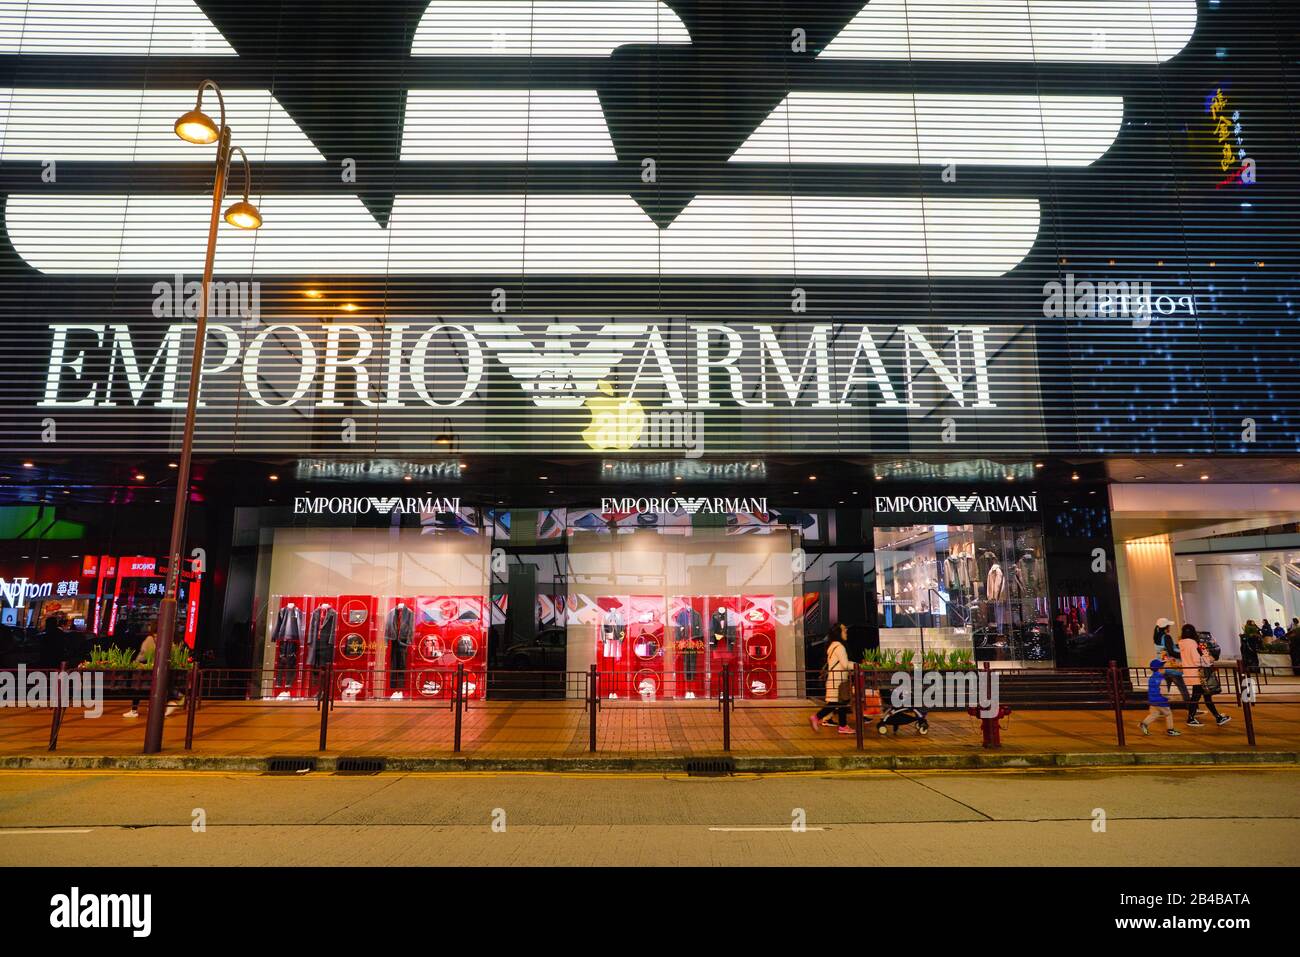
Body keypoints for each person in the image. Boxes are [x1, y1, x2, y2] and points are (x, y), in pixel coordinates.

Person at [1179, 623, 1229, 727]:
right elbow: (1197, 660)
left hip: (1190, 673)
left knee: (1201, 697)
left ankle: (1217, 717)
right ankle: (1192, 718)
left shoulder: (1182, 643)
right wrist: (1208, 657)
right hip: (1199, 674)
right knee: (1202, 697)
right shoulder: (1192, 643)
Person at [810, 623, 854, 735]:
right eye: (844, 630)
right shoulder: (840, 647)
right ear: (839, 632)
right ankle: (816, 717)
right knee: (835, 703)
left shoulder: (832, 646)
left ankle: (843, 726)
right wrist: (858, 665)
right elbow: (845, 664)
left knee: (841, 702)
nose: (846, 632)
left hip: (834, 678)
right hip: (838, 680)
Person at [1139, 658, 1180, 737]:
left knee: (1154, 714)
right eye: (1163, 667)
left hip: (1153, 700)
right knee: (1168, 714)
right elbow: (1163, 692)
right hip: (1161, 701)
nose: (1165, 668)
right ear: (1160, 669)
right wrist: (1171, 698)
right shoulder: (1162, 679)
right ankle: (1170, 730)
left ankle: (1143, 724)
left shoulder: (1151, 678)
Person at [1152, 618, 1188, 701]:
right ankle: (1192, 708)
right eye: (1168, 626)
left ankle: (1161, 708)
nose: (1169, 628)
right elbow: (1171, 651)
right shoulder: (1166, 637)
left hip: (1163, 667)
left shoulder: (1156, 638)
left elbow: (1165, 649)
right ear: (1166, 627)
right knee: (1183, 689)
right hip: (1172, 667)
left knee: (1164, 690)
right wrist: (1183, 655)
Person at [122, 631, 156, 718]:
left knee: (137, 688)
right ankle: (151, 708)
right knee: (149, 689)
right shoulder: (158, 638)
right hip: (152, 667)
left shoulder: (149, 638)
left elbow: (144, 653)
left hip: (143, 667)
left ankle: (134, 710)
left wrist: (136, 662)